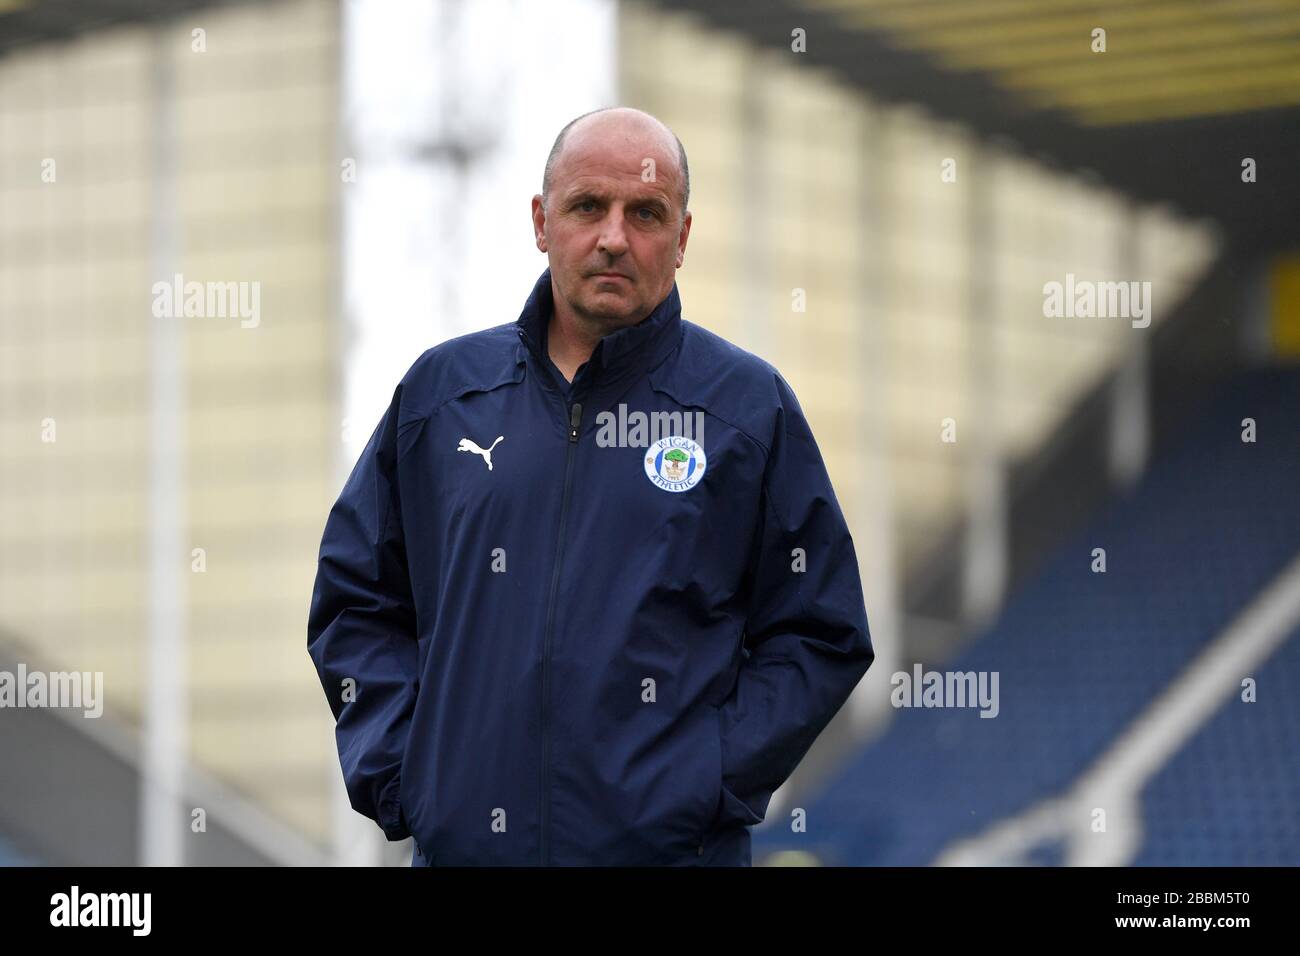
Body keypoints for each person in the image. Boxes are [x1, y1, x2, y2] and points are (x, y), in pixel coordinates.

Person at [307, 106, 874, 866]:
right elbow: (356, 598)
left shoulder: (745, 410)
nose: (613, 237)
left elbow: (821, 629)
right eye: (587, 207)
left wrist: (706, 777)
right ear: (541, 222)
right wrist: (405, 773)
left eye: (646, 213)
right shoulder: (443, 398)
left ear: (682, 238)